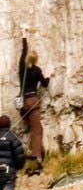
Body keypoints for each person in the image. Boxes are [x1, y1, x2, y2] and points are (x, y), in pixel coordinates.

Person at [17, 40, 49, 170]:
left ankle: (38, 151)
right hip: (33, 102)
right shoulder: (37, 70)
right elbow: (45, 84)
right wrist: (49, 77)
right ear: (36, 60)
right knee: (38, 130)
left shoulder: (22, 69)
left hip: (22, 105)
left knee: (33, 128)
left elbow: (23, 52)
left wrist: (24, 37)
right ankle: (35, 155)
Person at [0, 114, 26, 190]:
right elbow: (19, 156)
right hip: (8, 173)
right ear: (9, 125)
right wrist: (18, 167)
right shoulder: (13, 137)